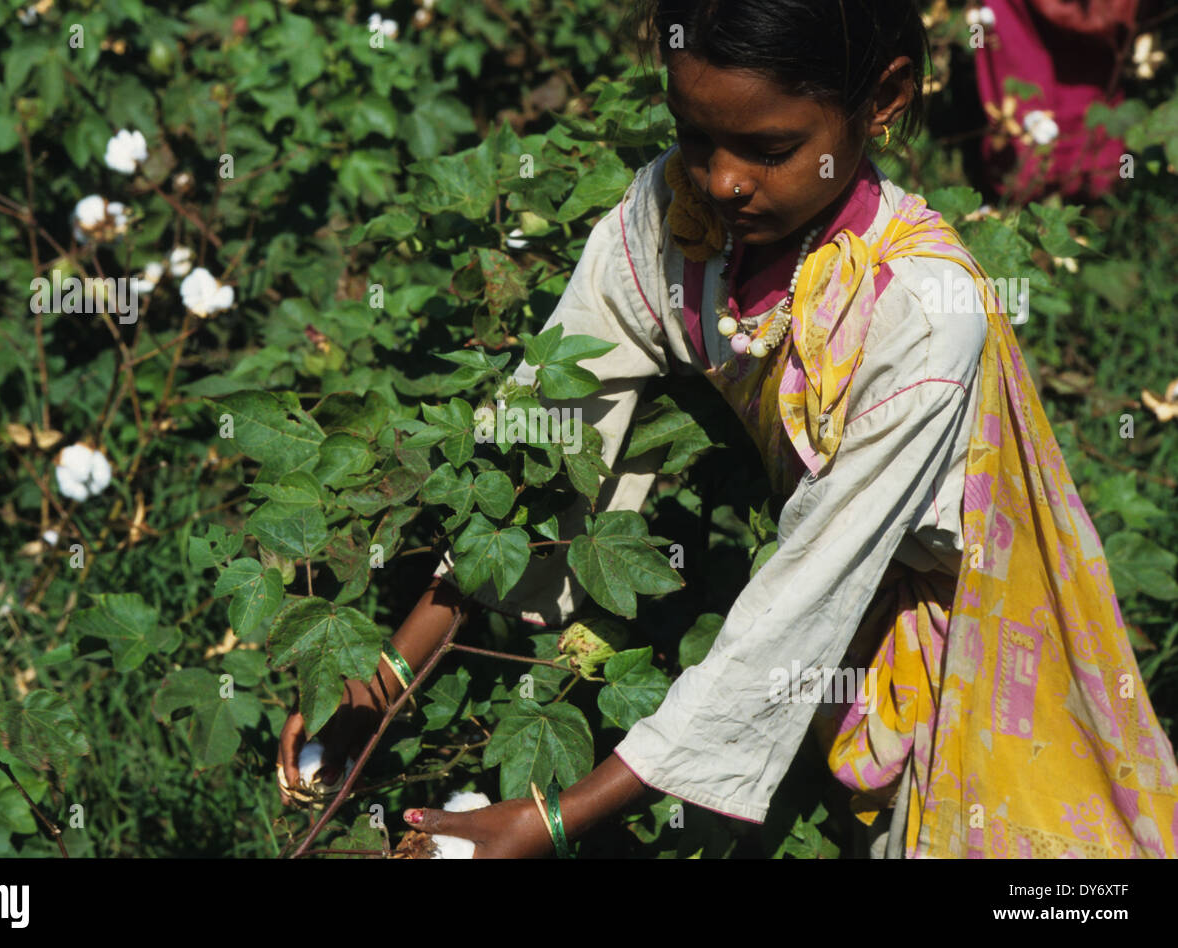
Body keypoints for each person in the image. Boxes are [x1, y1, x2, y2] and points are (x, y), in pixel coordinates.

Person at [280, 0, 1178, 858]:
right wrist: (383, 679)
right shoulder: (675, 219)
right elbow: (549, 433)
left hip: (973, 634)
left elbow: (799, 603)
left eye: (769, 147)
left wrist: (557, 818)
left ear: (887, 100)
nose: (722, 179)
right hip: (838, 632)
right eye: (694, 133)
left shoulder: (920, 314)